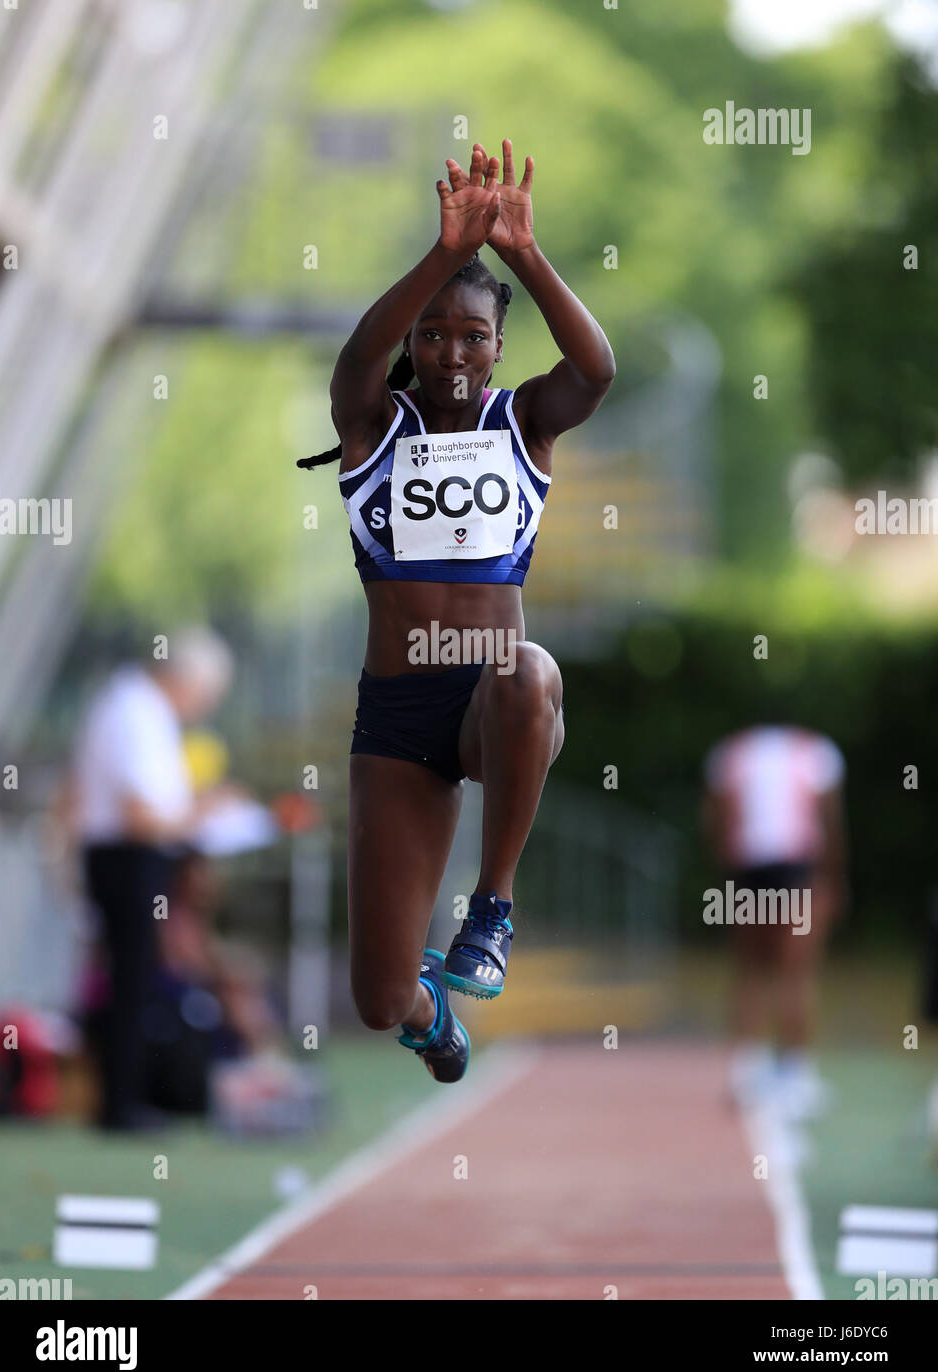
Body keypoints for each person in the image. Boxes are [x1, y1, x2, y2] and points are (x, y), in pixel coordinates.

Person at [297, 139, 615, 1082]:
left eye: (472, 335)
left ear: (499, 347)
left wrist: (520, 252)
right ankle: (433, 1009)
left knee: (527, 669)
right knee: (376, 1001)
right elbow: (359, 357)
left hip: (491, 706)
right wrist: (444, 256)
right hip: (399, 716)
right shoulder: (371, 426)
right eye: (432, 333)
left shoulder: (524, 423)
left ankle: (492, 911)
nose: (450, 351)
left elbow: (595, 370)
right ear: (412, 344)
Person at [72, 627, 234, 1129]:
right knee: (132, 977)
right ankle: (119, 1103)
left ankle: (124, 1098)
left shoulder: (141, 709)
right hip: (126, 859)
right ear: (185, 680)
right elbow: (139, 816)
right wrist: (202, 815)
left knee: (135, 976)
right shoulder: (135, 711)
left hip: (131, 858)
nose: (201, 708)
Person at [702, 723, 848, 1118]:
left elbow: (717, 817)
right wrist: (833, 879)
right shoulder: (817, 751)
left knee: (751, 970)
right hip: (795, 866)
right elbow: (829, 821)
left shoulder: (731, 752)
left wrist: (726, 872)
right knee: (796, 972)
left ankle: (746, 1072)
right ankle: (796, 1076)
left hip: (750, 867)